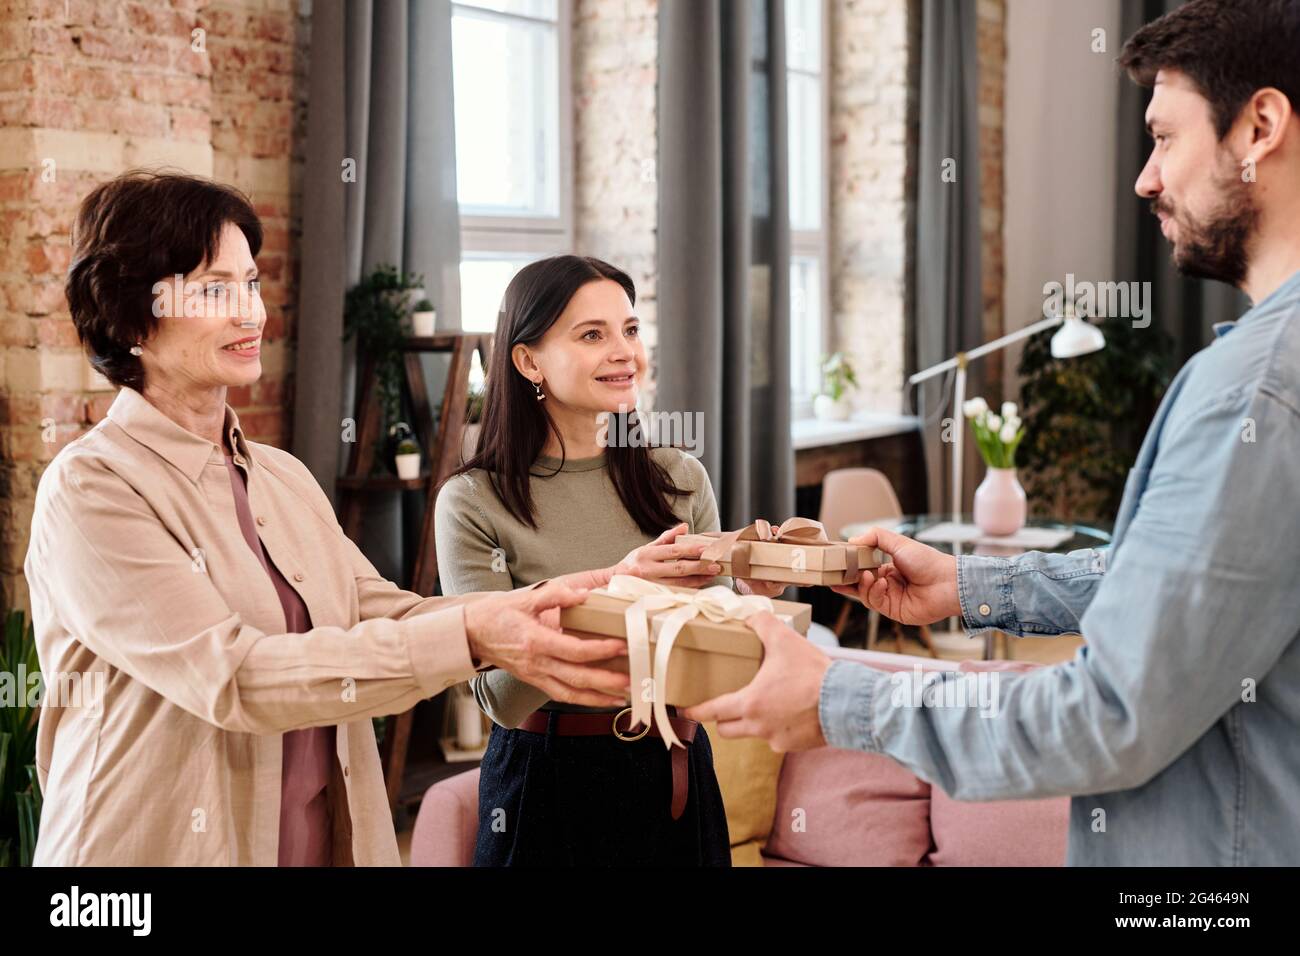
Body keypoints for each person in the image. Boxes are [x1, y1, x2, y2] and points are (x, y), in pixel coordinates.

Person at [687, 0, 1300, 865]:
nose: (1145, 179)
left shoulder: (1258, 390)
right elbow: (1180, 588)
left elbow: (1108, 716)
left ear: (1260, 126)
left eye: (1164, 137)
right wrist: (973, 587)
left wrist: (840, 695)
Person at [26, 171, 630, 866]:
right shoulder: (91, 488)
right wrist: (472, 632)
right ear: (133, 316)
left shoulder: (281, 477)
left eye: (251, 284)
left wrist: (589, 594)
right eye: (215, 289)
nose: (250, 313)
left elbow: (386, 614)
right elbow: (235, 679)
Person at [435, 254, 784, 865]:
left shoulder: (678, 479)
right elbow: (502, 698)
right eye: (592, 335)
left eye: (629, 329)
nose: (624, 351)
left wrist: (750, 596)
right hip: (544, 780)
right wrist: (619, 588)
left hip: (674, 766)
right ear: (528, 360)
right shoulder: (471, 502)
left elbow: (708, 657)